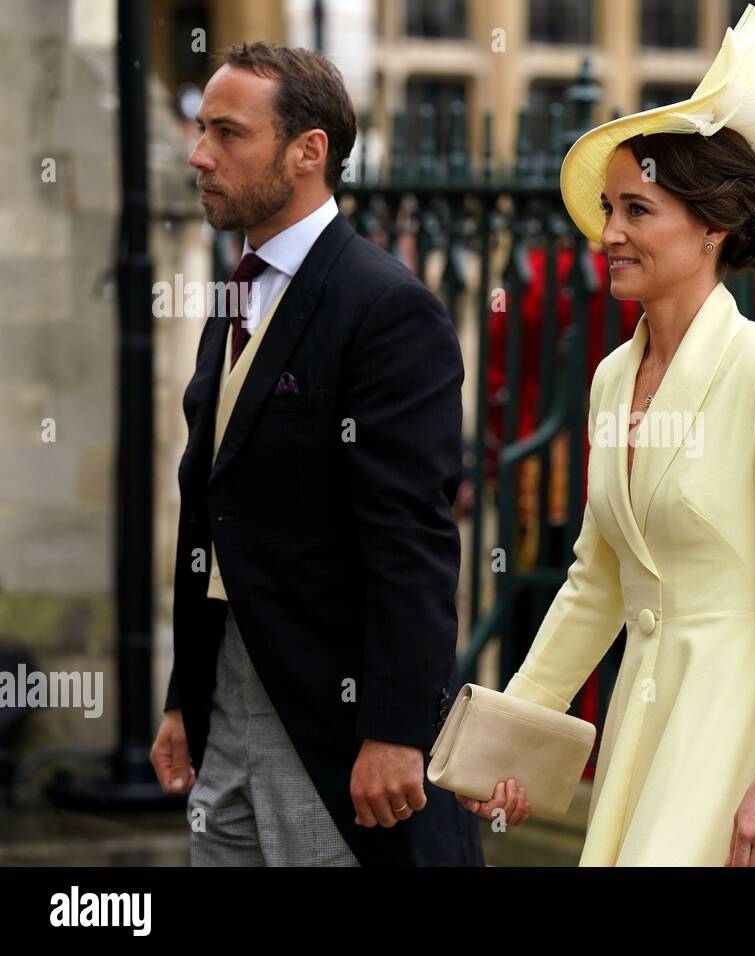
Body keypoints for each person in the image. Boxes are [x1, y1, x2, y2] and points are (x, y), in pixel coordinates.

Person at [456, 4, 755, 867]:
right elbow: (596, 578)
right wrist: (514, 734)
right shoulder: (610, 377)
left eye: (638, 209)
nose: (612, 232)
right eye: (607, 208)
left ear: (710, 228)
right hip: (642, 721)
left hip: (738, 735)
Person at [149, 41, 483, 866]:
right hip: (224, 697)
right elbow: (211, 505)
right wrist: (184, 699)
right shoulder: (239, 292)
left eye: (228, 134)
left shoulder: (388, 309)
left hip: (335, 716)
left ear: (309, 152)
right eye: (201, 131)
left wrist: (398, 731)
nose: (199, 155)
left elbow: (412, 536)